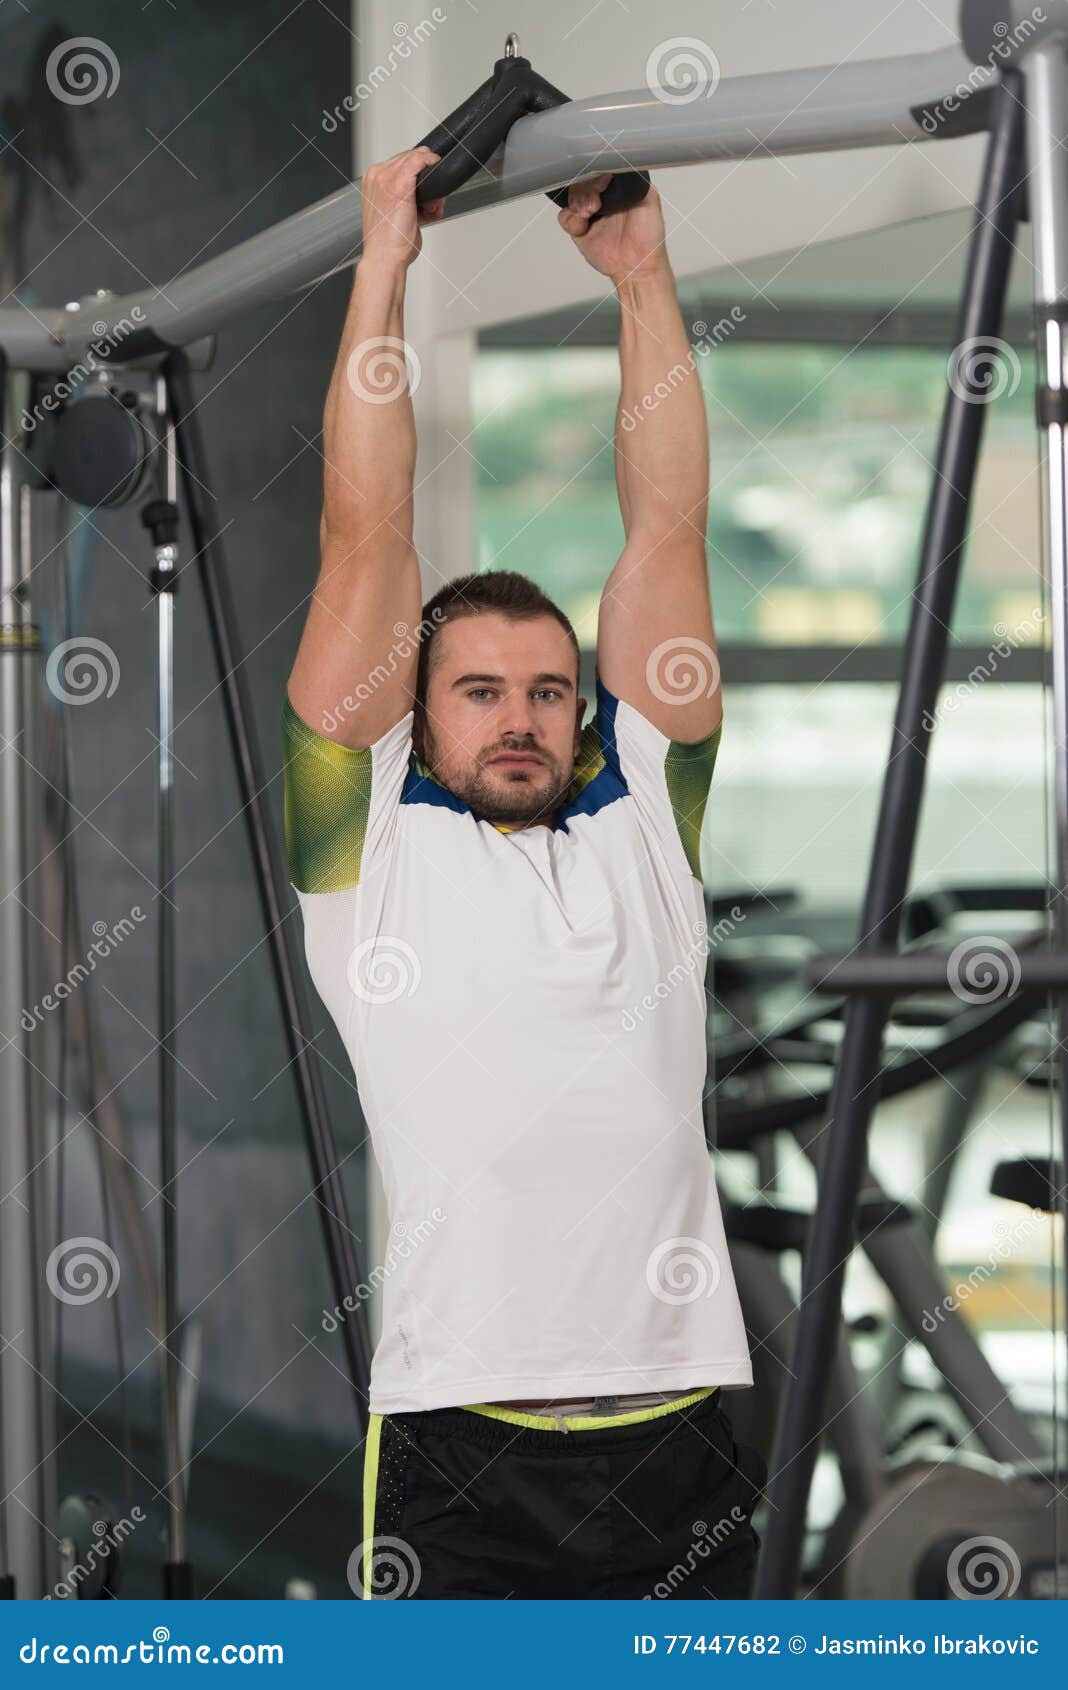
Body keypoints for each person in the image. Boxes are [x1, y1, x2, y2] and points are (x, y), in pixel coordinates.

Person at [282, 145, 765, 1600]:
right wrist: (385, 258)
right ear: (416, 715)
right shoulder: (369, 859)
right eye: (477, 689)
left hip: (681, 1419)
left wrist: (642, 278)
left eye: (550, 690)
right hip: (459, 1438)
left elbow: (665, 524)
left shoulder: (644, 837)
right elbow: (363, 527)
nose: (519, 716)